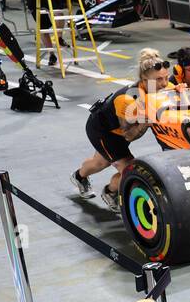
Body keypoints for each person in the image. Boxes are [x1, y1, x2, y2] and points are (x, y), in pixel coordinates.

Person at [71, 49, 173, 211]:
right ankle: (110, 192)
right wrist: (147, 121)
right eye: (158, 80)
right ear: (144, 80)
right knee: (130, 171)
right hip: (104, 131)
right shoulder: (128, 100)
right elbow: (128, 136)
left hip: (118, 129)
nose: (165, 84)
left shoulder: (162, 88)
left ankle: (78, 176)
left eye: (167, 77)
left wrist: (181, 92)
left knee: (100, 162)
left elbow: (172, 96)